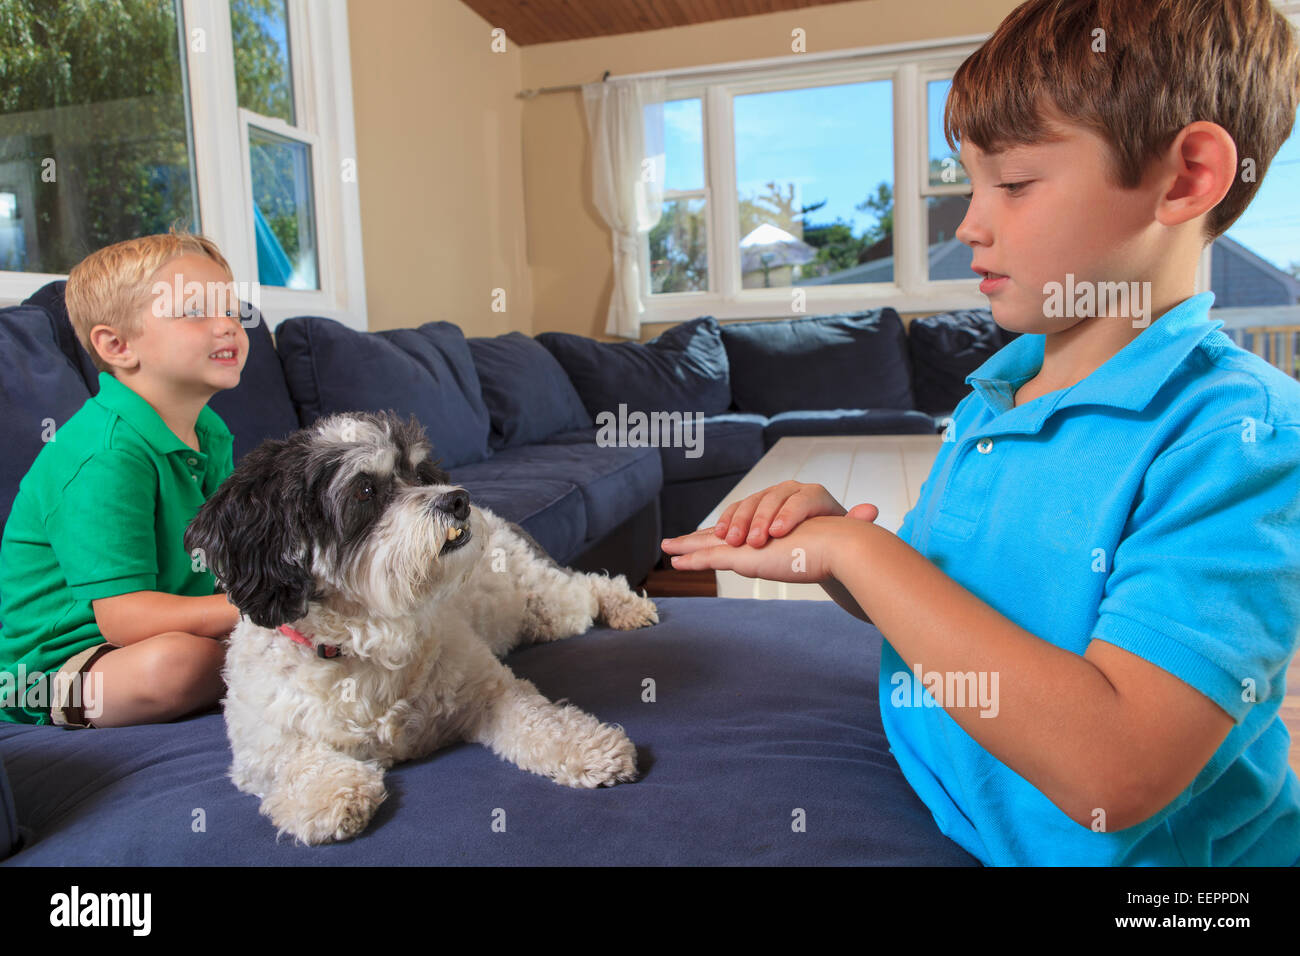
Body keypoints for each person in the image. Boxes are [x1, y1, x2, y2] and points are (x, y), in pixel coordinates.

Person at [661, 0, 1300, 865]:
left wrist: (866, 559)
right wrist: (833, 540)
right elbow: (936, 594)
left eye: (1015, 182)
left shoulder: (1241, 436)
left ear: (1185, 177)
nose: (969, 224)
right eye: (971, 182)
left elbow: (1114, 771)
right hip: (943, 798)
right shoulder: (996, 393)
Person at [0, 232, 248, 727]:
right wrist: (249, 610)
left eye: (234, 311)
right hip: (62, 661)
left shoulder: (209, 432)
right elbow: (125, 618)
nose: (228, 327)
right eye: (196, 311)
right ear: (117, 345)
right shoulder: (104, 452)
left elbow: (230, 553)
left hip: (177, 624)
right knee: (172, 667)